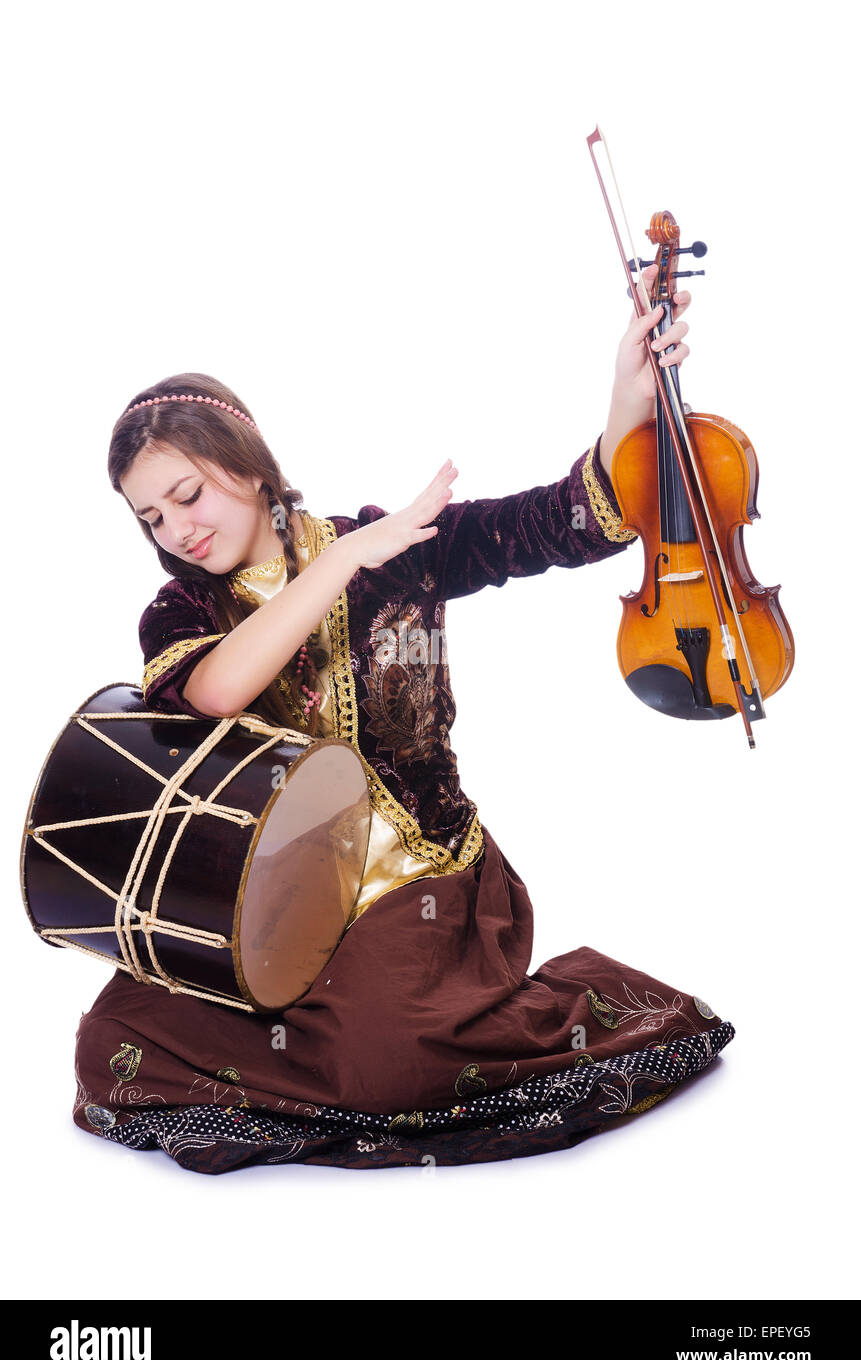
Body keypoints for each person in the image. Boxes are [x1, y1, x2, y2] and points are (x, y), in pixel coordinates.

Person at [72, 264, 734, 1172]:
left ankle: (580, 999)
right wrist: (342, 564)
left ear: (253, 470)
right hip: (267, 900)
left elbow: (570, 520)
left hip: (419, 878)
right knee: (111, 1042)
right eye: (151, 516)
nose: (177, 530)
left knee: (384, 1063)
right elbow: (209, 696)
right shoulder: (183, 615)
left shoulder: (392, 547)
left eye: (189, 495)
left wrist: (626, 391)